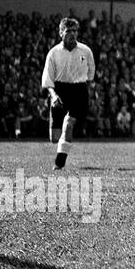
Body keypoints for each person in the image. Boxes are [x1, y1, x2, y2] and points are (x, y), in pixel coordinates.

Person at [41, 16, 95, 170]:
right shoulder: (54, 53)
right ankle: (62, 146)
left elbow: (91, 73)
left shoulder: (86, 51)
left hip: (79, 91)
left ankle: (59, 163)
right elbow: (48, 78)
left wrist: (86, 89)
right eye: (68, 31)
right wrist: (54, 95)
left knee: (68, 124)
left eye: (75, 31)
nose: (72, 34)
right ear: (61, 33)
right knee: (54, 138)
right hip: (59, 91)